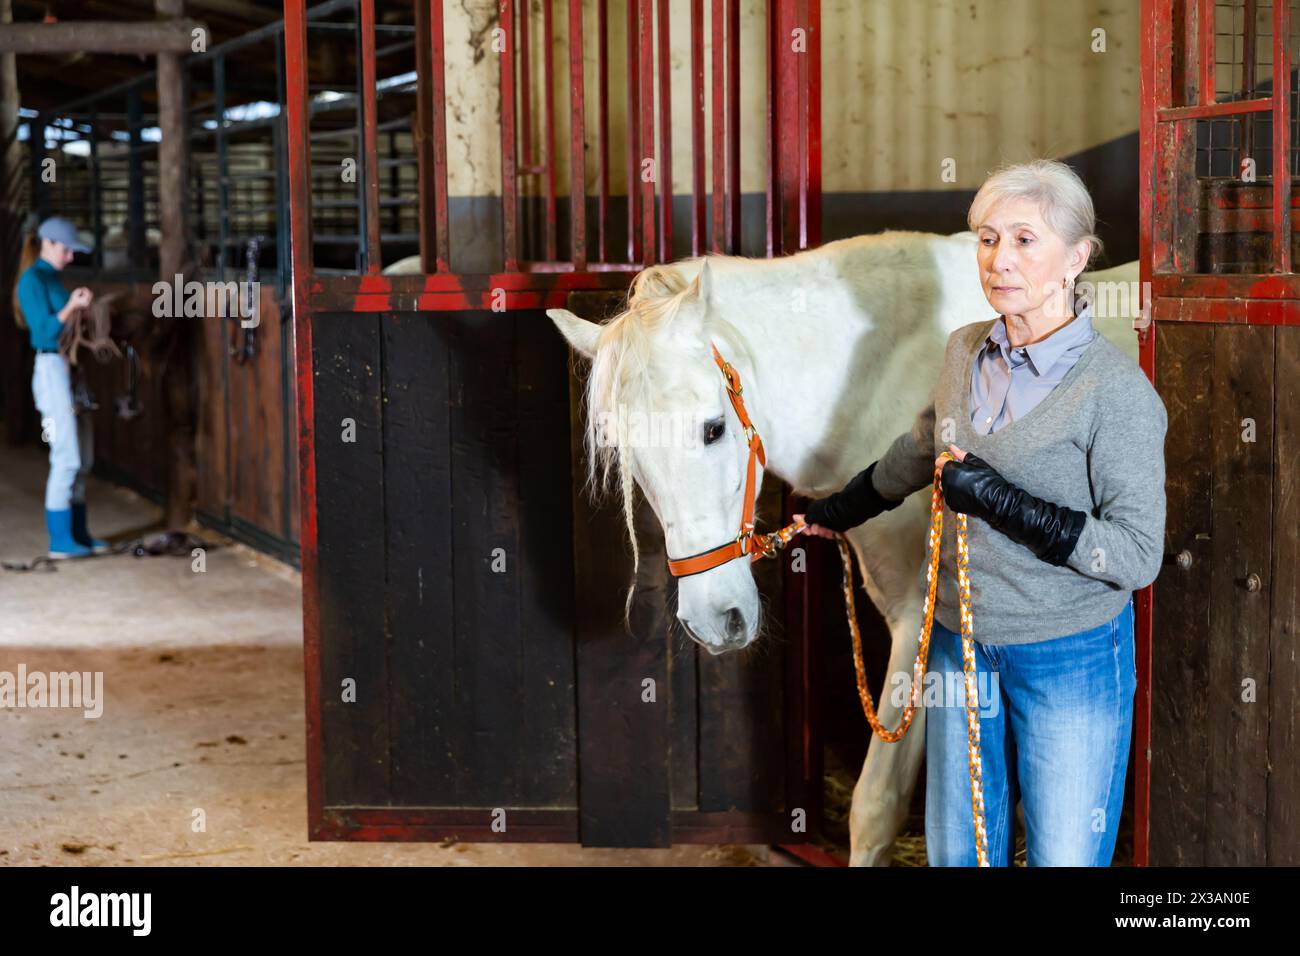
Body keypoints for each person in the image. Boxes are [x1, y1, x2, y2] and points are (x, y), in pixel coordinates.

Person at [795, 159, 1167, 866]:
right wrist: (844, 505)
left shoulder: (1115, 394)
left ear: (1077, 257)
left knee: (1062, 854)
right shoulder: (965, 349)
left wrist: (1003, 503)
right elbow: (923, 442)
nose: (999, 260)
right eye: (987, 238)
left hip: (1068, 652)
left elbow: (1136, 554)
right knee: (957, 852)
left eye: (1025, 240)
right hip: (957, 642)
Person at [13, 216, 109, 559]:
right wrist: (72, 306)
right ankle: (59, 541)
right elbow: (43, 332)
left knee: (82, 456)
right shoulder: (31, 281)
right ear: (48, 243)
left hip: (68, 367)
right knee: (65, 456)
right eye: (67, 249)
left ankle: (79, 533)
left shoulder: (52, 277)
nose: (71, 257)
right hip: (51, 369)